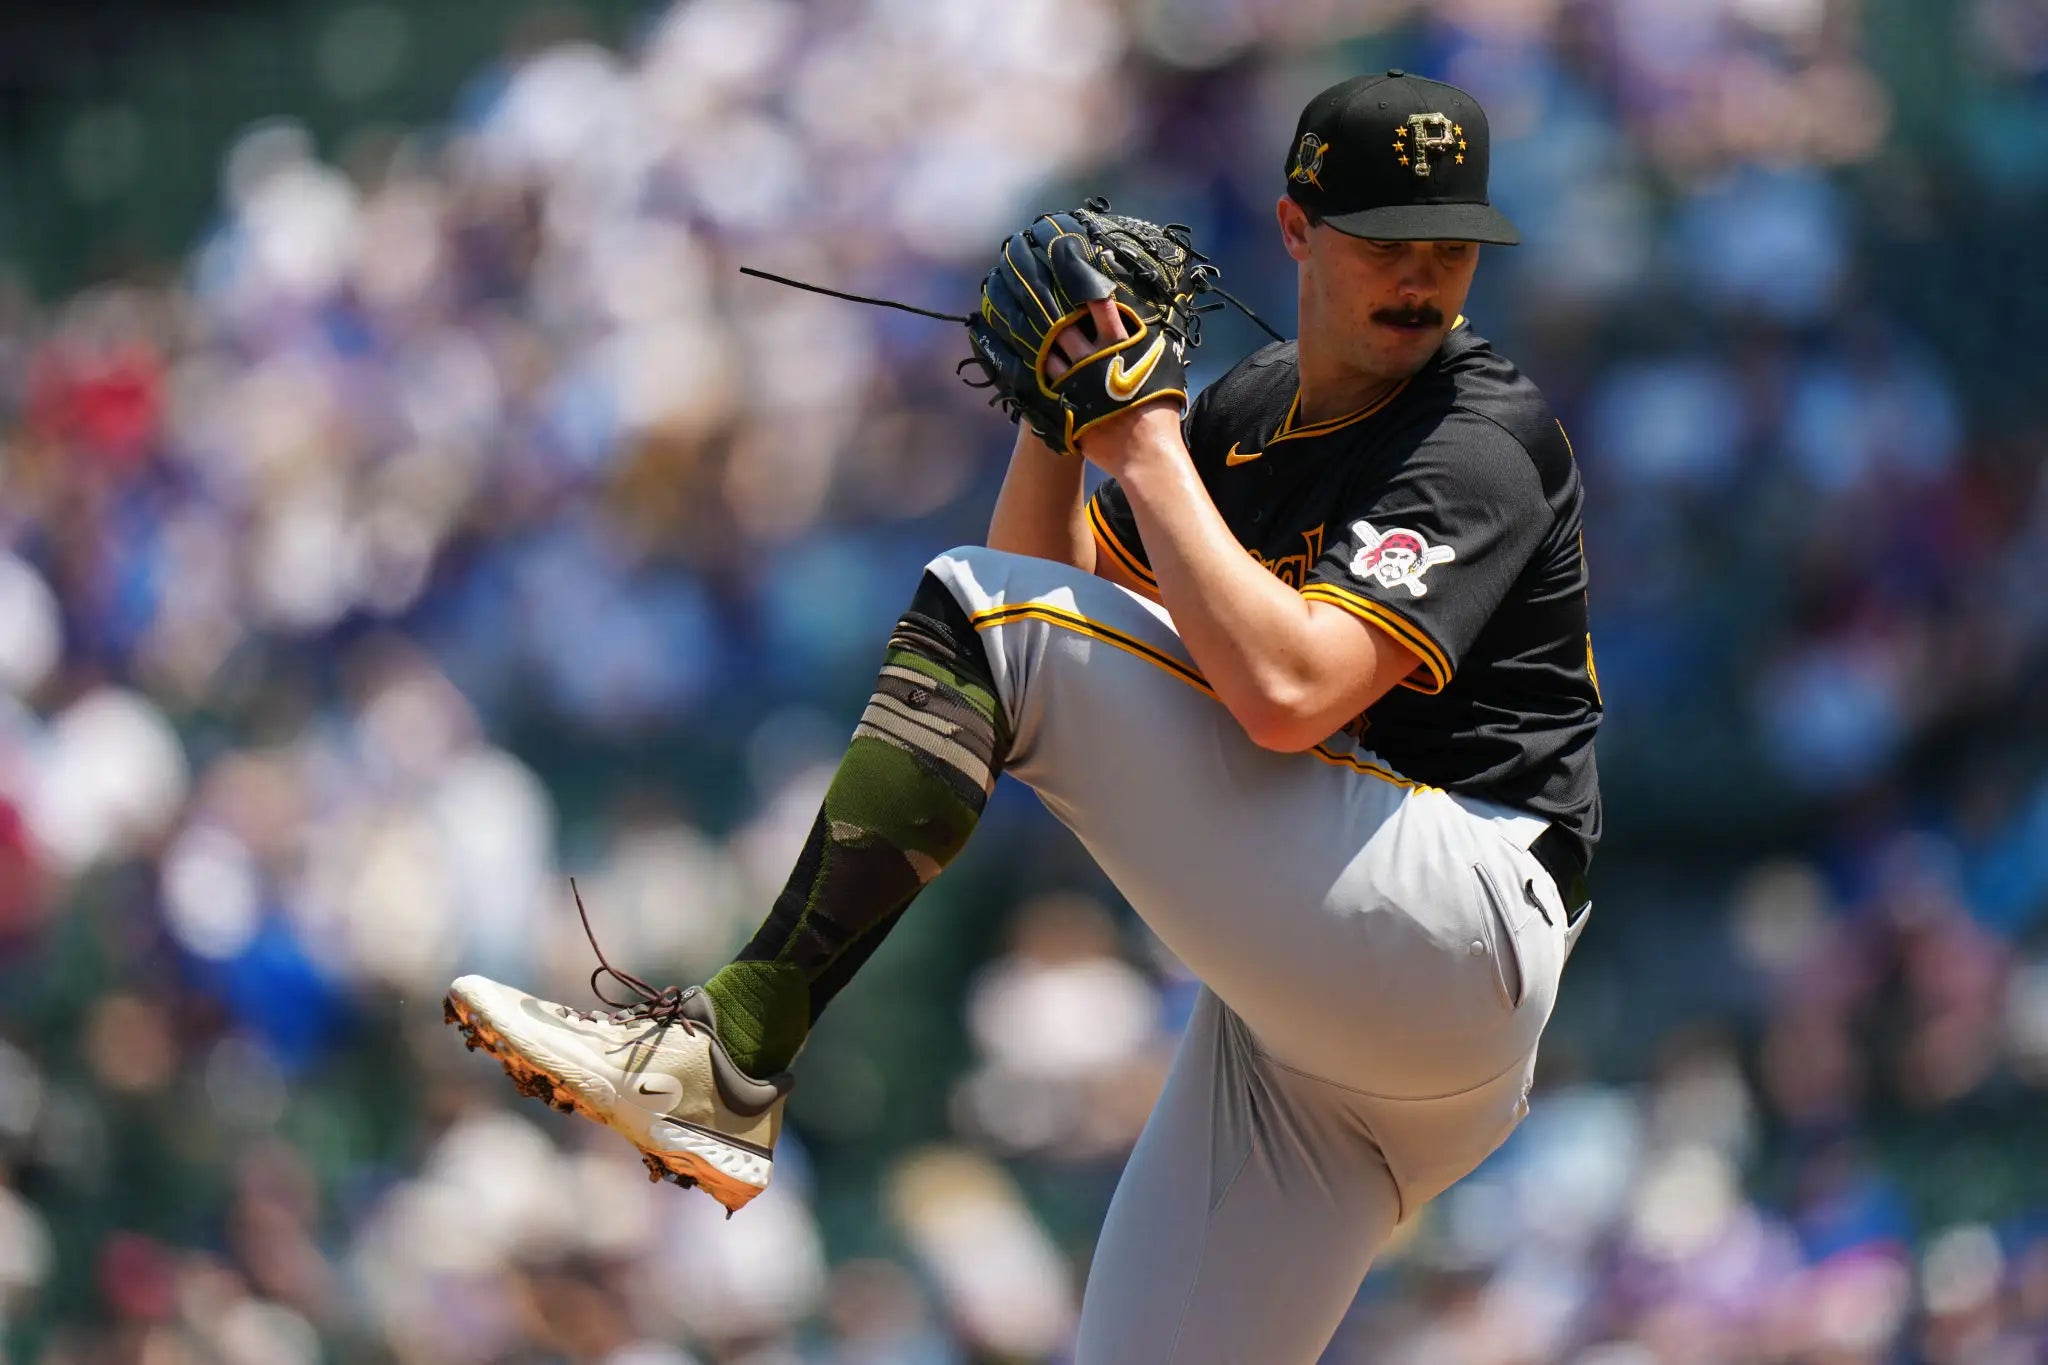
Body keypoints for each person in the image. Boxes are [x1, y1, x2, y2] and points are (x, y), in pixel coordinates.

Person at [445, 70, 1601, 1362]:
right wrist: (1061, 415)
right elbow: (1051, 602)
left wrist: (1142, 436)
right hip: (1313, 1043)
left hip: (1460, 925)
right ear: (1295, 230)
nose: (1423, 276)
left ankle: (731, 1051)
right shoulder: (1242, 417)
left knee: (977, 613)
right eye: (1388, 239)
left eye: (1452, 247)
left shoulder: (1475, 435)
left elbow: (1283, 696)